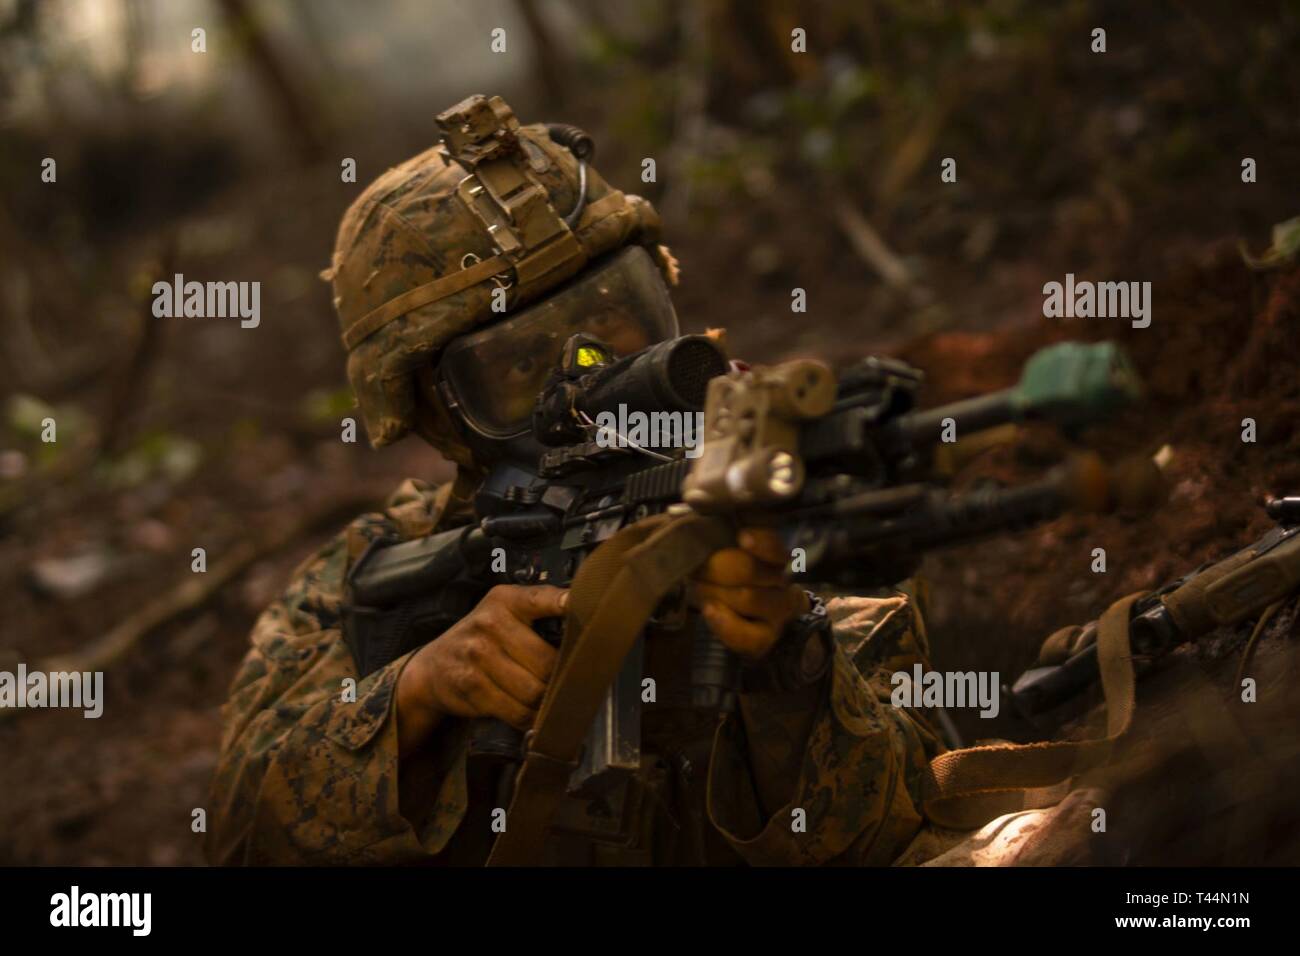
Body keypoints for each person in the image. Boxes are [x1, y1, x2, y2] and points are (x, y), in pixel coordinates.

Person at [206, 95, 942, 865]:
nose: (585, 373)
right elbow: (238, 834)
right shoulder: (365, 572)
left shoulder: (787, 505)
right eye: (520, 362)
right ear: (433, 408)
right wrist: (417, 690)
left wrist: (788, 654)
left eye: (616, 316)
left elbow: (889, 829)